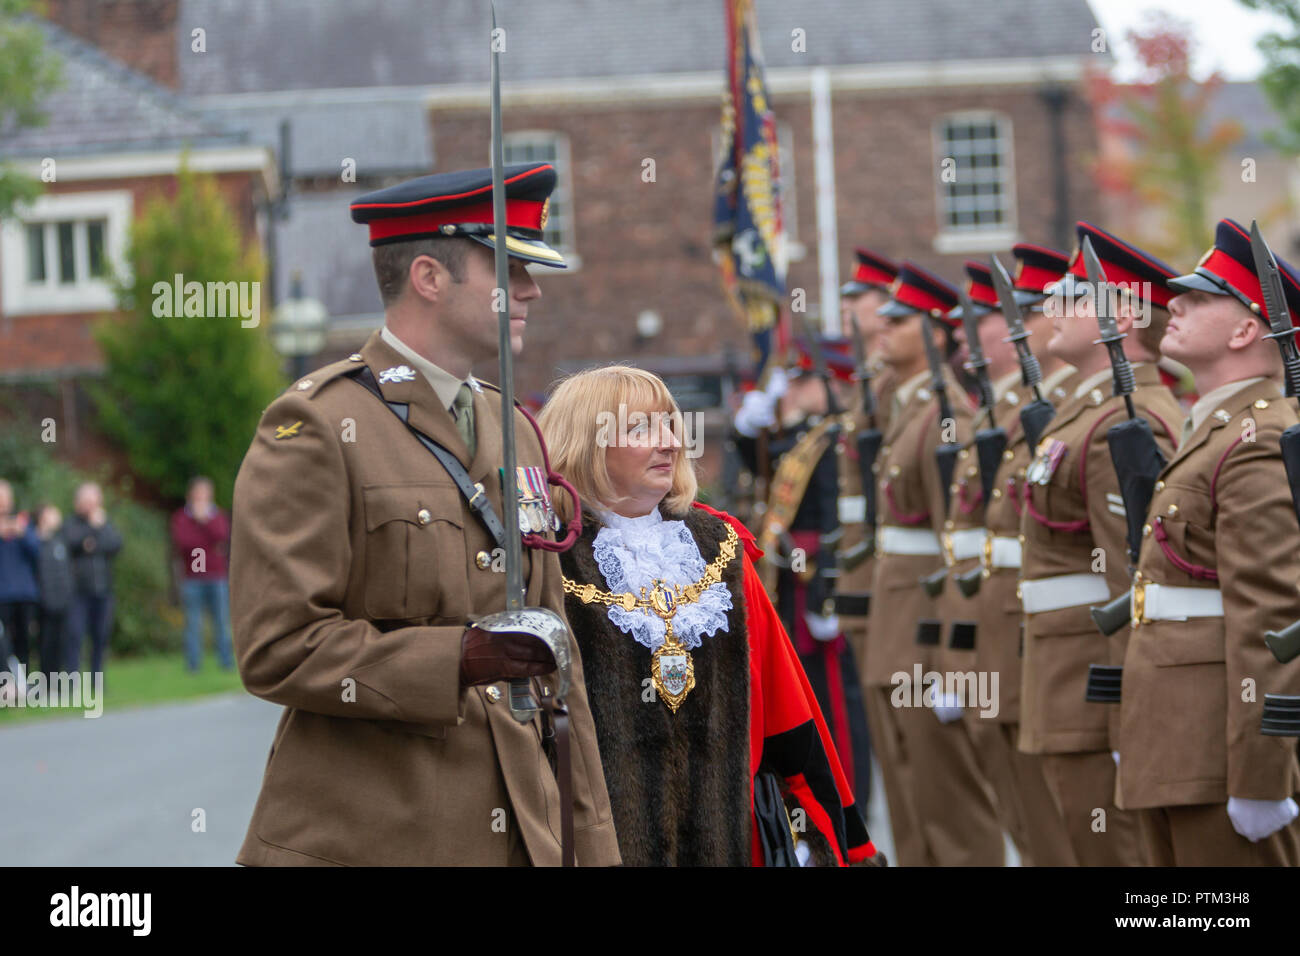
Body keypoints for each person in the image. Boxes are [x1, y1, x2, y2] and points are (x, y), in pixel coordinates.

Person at [229, 162, 619, 866]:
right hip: (375, 838)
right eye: (506, 269)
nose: (530, 289)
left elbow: (561, 666)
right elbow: (277, 645)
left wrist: (591, 849)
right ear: (430, 278)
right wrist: (456, 659)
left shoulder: (514, 427)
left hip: (522, 833)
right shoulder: (318, 426)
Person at [539, 364, 878, 866]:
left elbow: (787, 707)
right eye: (640, 428)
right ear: (585, 443)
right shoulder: (548, 559)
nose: (669, 442)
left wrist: (824, 834)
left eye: (669, 424)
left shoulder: (718, 546)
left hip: (731, 841)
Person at [1116, 219, 1300, 864]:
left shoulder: (1259, 438)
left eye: (1197, 299)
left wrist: (1261, 775)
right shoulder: (1215, 431)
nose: (1174, 306)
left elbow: (1272, 617)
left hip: (1219, 754)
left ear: (1246, 330)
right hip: (1174, 739)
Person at [1017, 222, 1183, 866]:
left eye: (1077, 295)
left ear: (1128, 316)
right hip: (1067, 671)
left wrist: (1127, 714)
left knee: (1115, 857)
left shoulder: (1126, 416)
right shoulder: (1086, 410)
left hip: (1097, 683)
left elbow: (1131, 578)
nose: (1053, 304)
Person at [867, 262, 1005, 866]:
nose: (884, 328)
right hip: (896, 622)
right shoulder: (908, 409)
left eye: (900, 321)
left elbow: (960, 542)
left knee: (949, 799)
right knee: (909, 791)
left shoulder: (948, 417)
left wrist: (956, 654)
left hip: (927, 628)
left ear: (939, 334)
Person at [732, 339, 875, 824]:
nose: (792, 390)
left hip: (813, 579)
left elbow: (838, 517)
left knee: (833, 699)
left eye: (803, 381)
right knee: (804, 694)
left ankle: (849, 801)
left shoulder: (835, 439)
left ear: (831, 383)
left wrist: (826, 593)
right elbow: (767, 464)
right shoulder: (808, 435)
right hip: (790, 579)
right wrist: (747, 430)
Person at [970, 242, 1080, 866]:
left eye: (1029, 309)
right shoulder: (1023, 407)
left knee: (1064, 824)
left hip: (1050, 634)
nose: (1013, 325)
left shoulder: (1068, 407)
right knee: (1027, 815)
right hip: (1007, 623)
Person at [170, 476, 234, 672]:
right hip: (193, 577)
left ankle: (226, 661)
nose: (201, 497)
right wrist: (207, 540)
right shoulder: (182, 517)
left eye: (205, 493)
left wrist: (204, 522)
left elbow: (222, 536)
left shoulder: (217, 516)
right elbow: (185, 543)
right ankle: (193, 664)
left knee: (221, 621)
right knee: (193, 623)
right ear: (191, 495)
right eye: (198, 493)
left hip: (216, 576)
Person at [63, 482, 122, 679]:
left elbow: (115, 544)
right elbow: (73, 543)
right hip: (78, 591)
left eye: (94, 501)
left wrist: (95, 537)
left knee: (101, 636)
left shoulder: (104, 523)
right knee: (75, 635)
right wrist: (93, 530)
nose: (91, 506)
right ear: (78, 502)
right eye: (87, 501)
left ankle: (97, 679)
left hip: (103, 589)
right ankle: (72, 680)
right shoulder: (72, 523)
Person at [0, 479, 39, 680]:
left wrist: (22, 533)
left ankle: (24, 684)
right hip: (2, 595)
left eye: (5, 498)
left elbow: (36, 550)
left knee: (23, 643)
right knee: (3, 642)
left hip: (24, 593)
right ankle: (4, 683)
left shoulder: (22, 521)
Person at [34, 504, 73, 679]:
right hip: (44, 603)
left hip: (62, 602)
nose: (58, 517)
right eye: (53, 513)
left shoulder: (61, 541)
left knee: (61, 644)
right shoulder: (34, 543)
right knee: (46, 645)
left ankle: (57, 682)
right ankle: (45, 683)